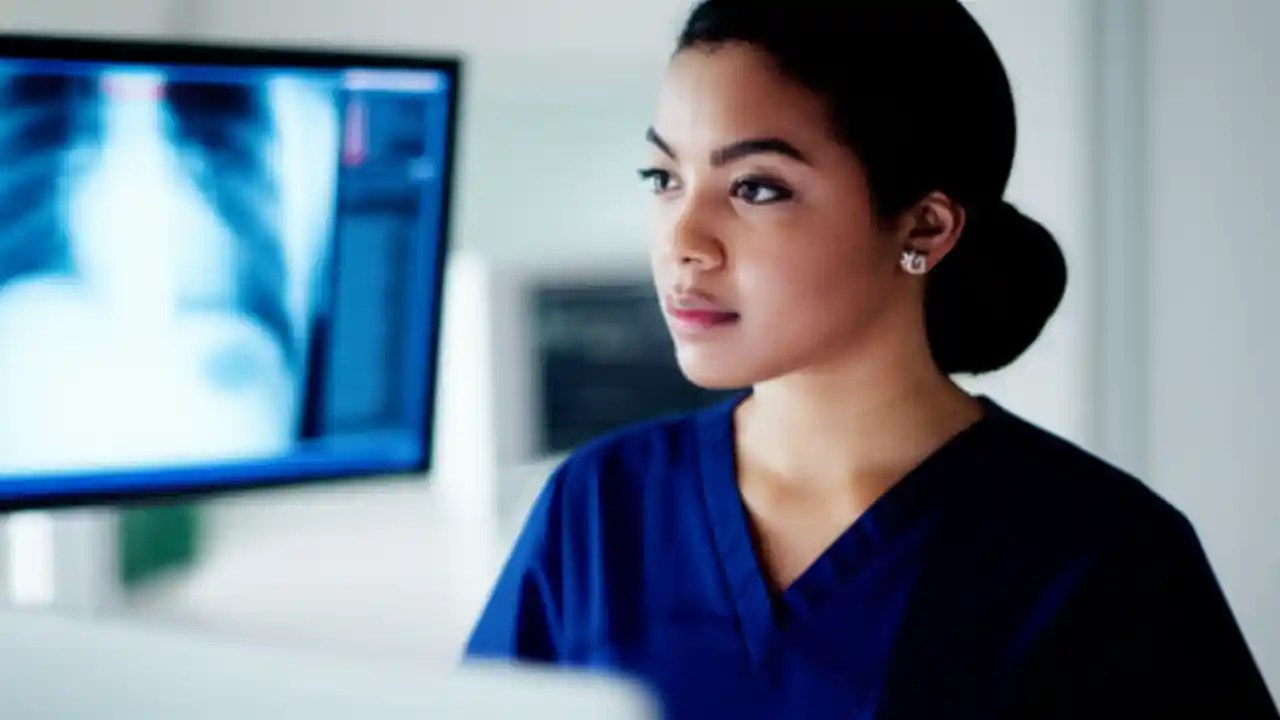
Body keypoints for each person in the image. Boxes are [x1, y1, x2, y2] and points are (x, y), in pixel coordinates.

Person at [466, 1, 1280, 717]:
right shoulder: (599, 507)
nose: (683, 243)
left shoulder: (1102, 558)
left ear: (925, 227)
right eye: (663, 177)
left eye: (755, 188)